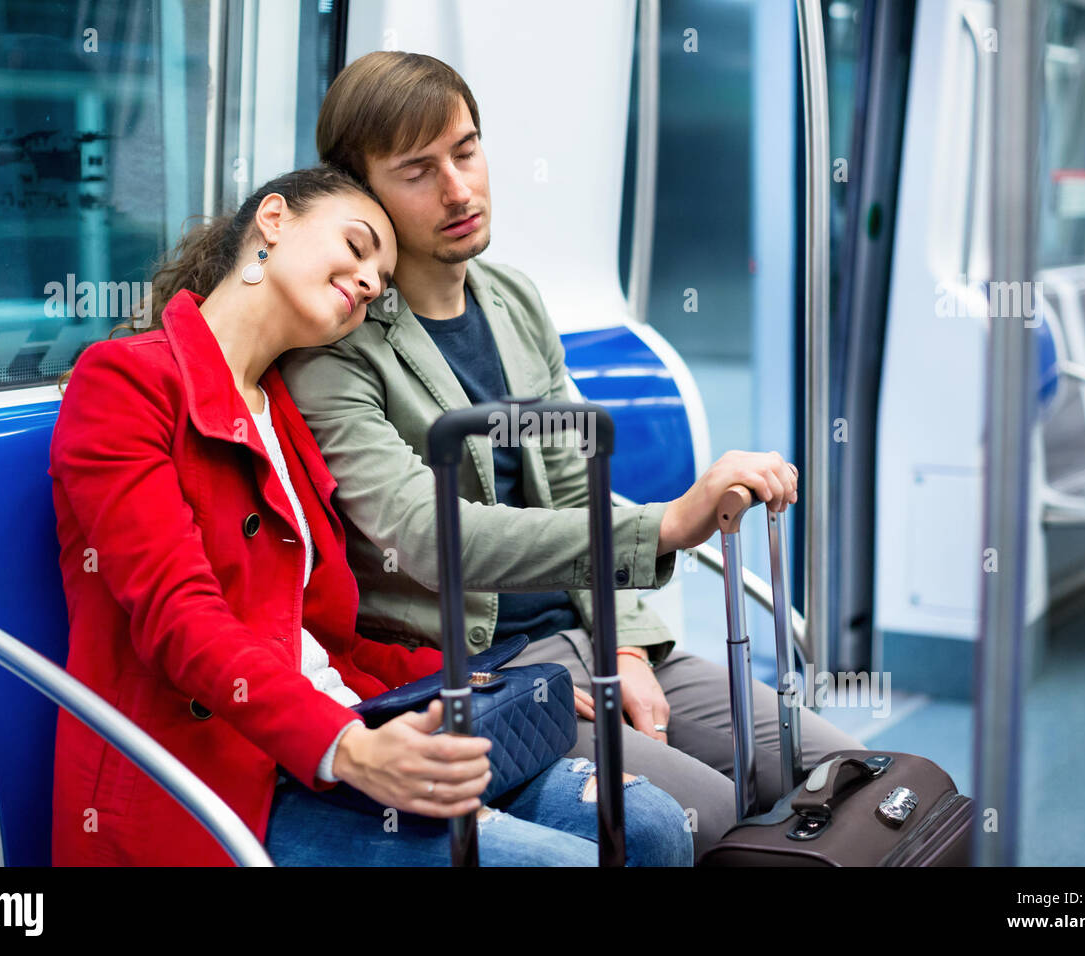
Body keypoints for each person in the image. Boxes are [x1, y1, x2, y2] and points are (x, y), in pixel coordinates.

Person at [278, 52, 867, 861]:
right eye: (417, 171)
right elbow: (422, 532)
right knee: (709, 814)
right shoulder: (339, 346)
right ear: (362, 192)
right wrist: (664, 525)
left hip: (595, 628)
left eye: (466, 150)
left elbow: (572, 489)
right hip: (488, 666)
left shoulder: (512, 298)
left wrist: (622, 643)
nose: (458, 189)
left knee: (841, 771)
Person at [48, 162, 693, 867]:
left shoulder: (284, 413)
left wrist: (479, 680)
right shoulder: (125, 382)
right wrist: (347, 748)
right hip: (230, 777)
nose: (367, 284)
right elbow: (182, 620)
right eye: (356, 249)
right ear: (273, 221)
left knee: (654, 825)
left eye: (379, 283)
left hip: (350, 732)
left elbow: (331, 641)